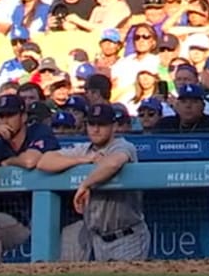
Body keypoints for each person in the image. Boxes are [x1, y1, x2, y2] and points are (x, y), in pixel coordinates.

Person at [36, 103, 148, 262]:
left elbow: (113, 163)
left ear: (114, 126)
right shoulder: (84, 149)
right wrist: (83, 160)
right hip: (97, 239)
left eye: (102, 124)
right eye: (92, 124)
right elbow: (44, 161)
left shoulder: (123, 145)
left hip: (127, 235)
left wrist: (85, 184)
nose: (96, 129)